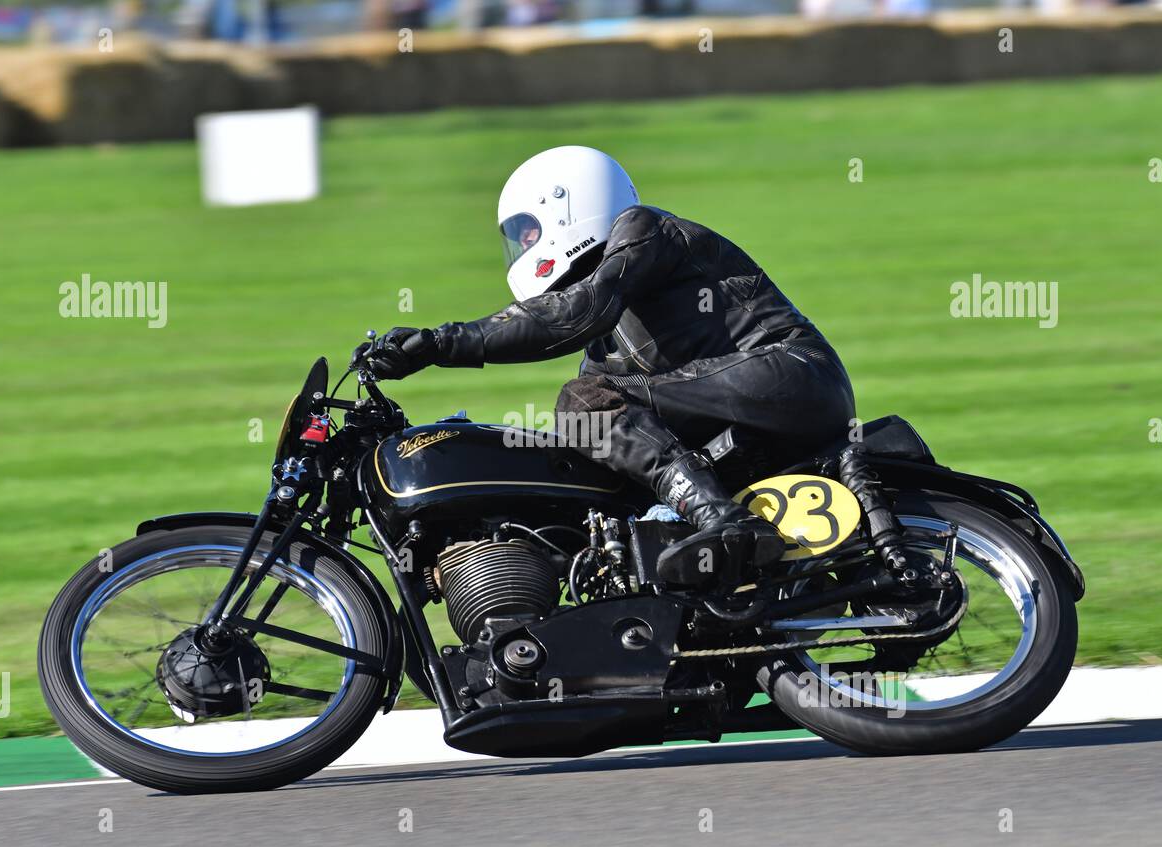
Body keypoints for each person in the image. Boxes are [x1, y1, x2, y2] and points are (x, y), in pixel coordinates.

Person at [360, 146, 856, 583]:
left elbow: (574, 313)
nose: (524, 245)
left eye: (527, 231)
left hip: (794, 374)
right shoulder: (603, 356)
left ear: (568, 204)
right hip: (758, 407)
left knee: (581, 405)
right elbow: (600, 404)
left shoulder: (645, 231)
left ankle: (727, 521)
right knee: (589, 423)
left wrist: (439, 344)